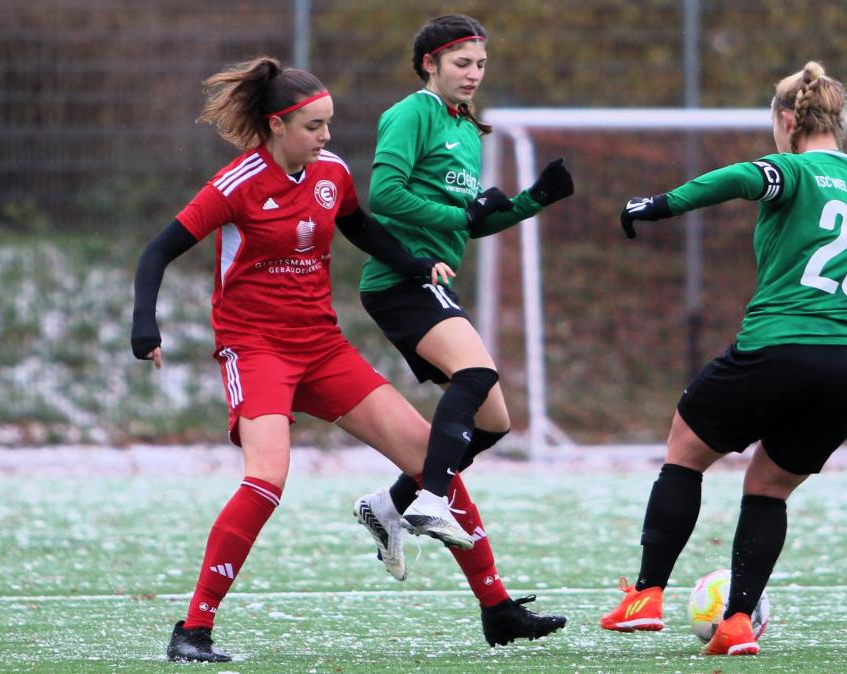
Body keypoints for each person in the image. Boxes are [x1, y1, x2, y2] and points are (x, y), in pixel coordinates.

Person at [130, 56, 479, 662]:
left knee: (430, 458)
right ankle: (192, 631)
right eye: (314, 126)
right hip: (255, 348)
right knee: (267, 479)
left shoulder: (331, 174)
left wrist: (416, 264)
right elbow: (157, 252)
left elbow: (362, 230)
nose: (326, 136)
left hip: (321, 347)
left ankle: (498, 608)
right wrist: (144, 324)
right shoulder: (237, 183)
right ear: (277, 126)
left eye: (329, 124)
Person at [599, 61, 847, 656]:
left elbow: (744, 176)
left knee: (685, 449)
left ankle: (646, 596)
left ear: (787, 120)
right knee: (769, 487)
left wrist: (659, 205)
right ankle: (738, 623)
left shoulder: (793, 169)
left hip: (780, 345)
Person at [349, 14, 573, 647]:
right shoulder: (412, 113)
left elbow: (469, 225)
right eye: (461, 63)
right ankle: (430, 498)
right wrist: (460, 210)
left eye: (480, 64)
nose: (473, 74)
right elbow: (384, 196)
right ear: (430, 64)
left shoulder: (466, 130)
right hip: (400, 279)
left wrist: (533, 200)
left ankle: (393, 503)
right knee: (477, 374)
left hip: (436, 283)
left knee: (496, 420)